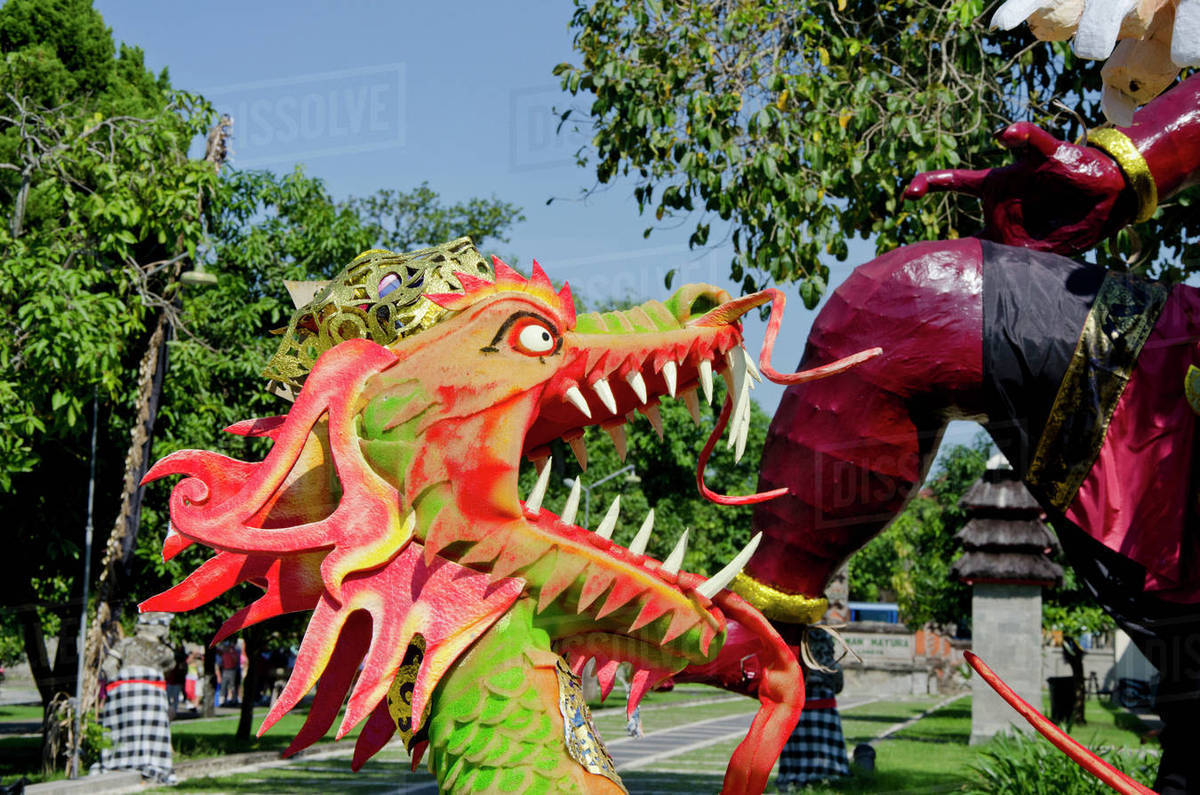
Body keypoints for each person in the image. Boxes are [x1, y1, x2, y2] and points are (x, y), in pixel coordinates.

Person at [93, 612, 177, 784]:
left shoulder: (125, 644)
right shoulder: (164, 651)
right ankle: (150, 760)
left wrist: (119, 681)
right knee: (150, 731)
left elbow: (108, 666)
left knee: (123, 730)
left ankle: (119, 759)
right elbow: (169, 667)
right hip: (151, 696)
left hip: (123, 695)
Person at [775, 628, 850, 790]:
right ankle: (827, 774)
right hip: (825, 713)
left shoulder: (794, 664)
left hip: (798, 714)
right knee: (824, 747)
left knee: (798, 750)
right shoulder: (832, 666)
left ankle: (794, 776)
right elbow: (838, 687)